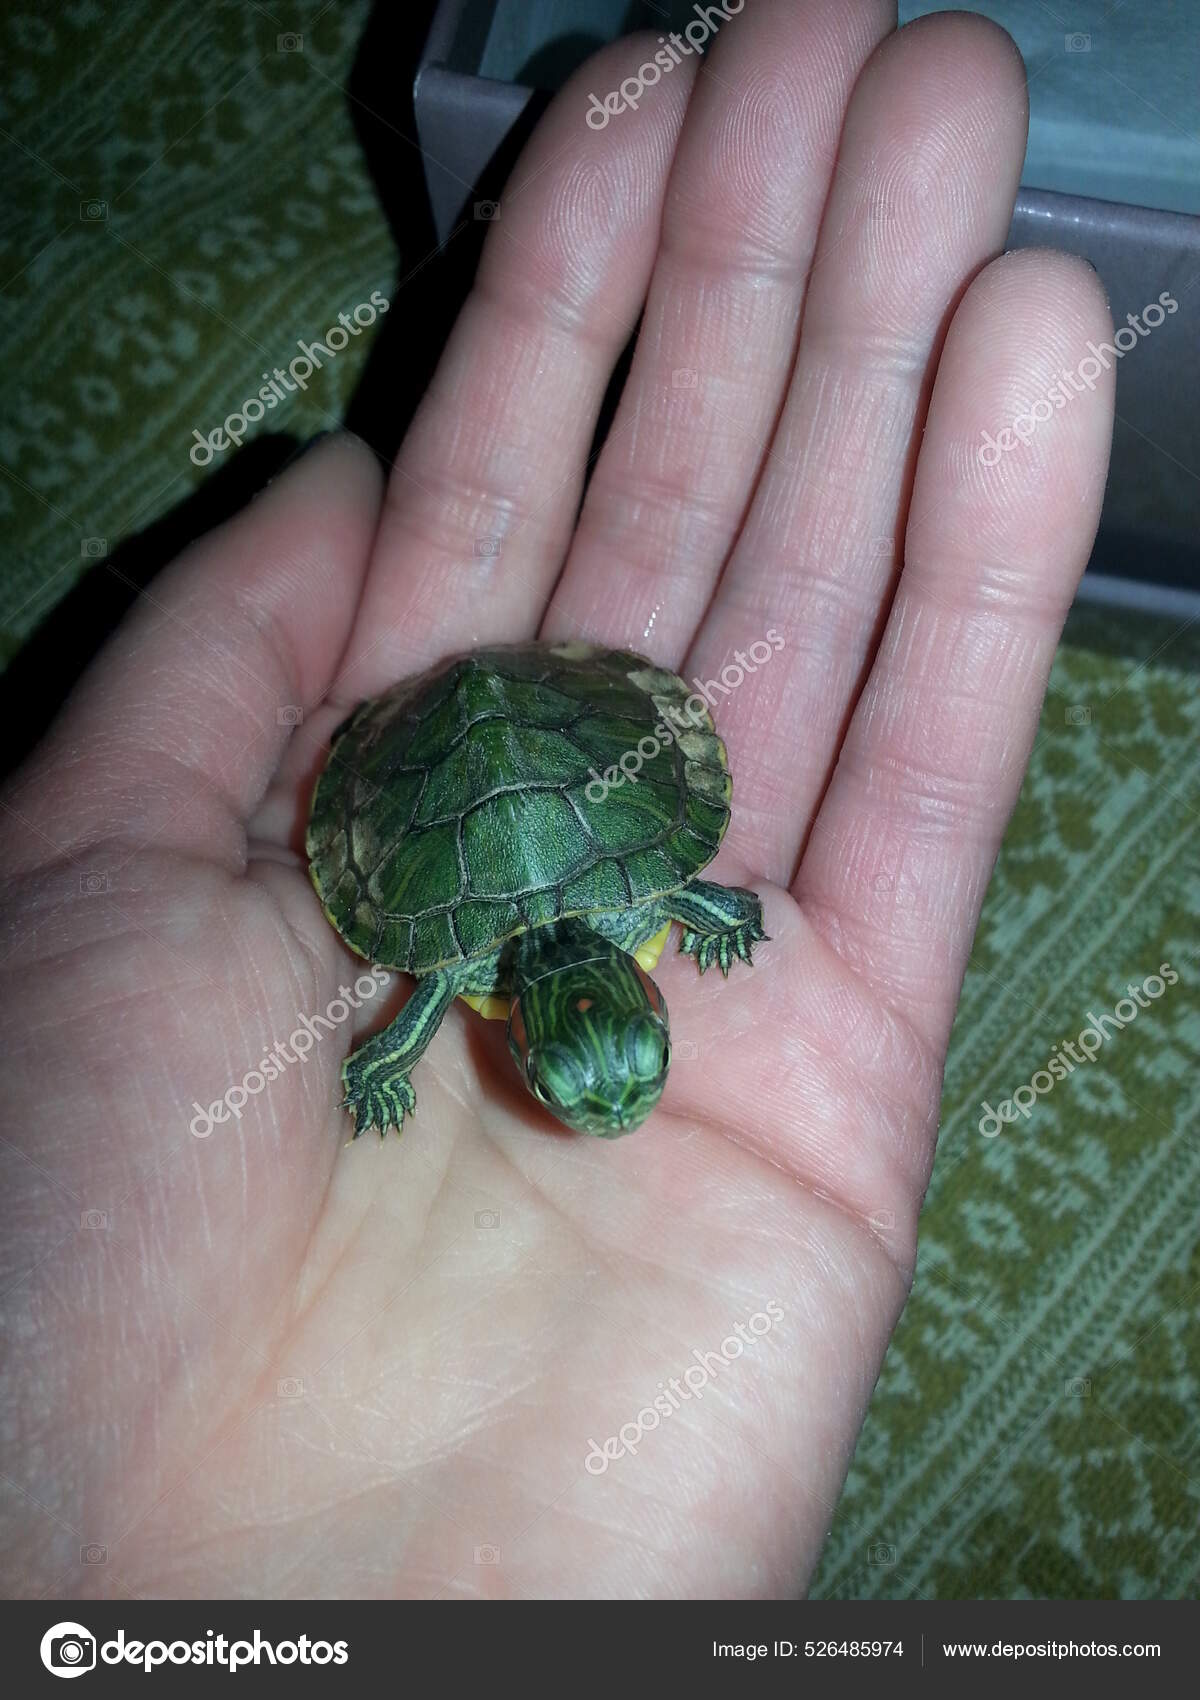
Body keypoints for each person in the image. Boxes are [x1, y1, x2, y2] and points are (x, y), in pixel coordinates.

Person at [0, 1, 1113, 1598]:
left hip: (510, 763)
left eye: (610, 1073)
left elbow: (438, 994)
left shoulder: (484, 954)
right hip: (494, 755)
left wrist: (397, 1056)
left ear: (583, 1015)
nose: (615, 1100)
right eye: (619, 1074)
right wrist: (406, 1049)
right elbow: (541, 951)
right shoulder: (552, 929)